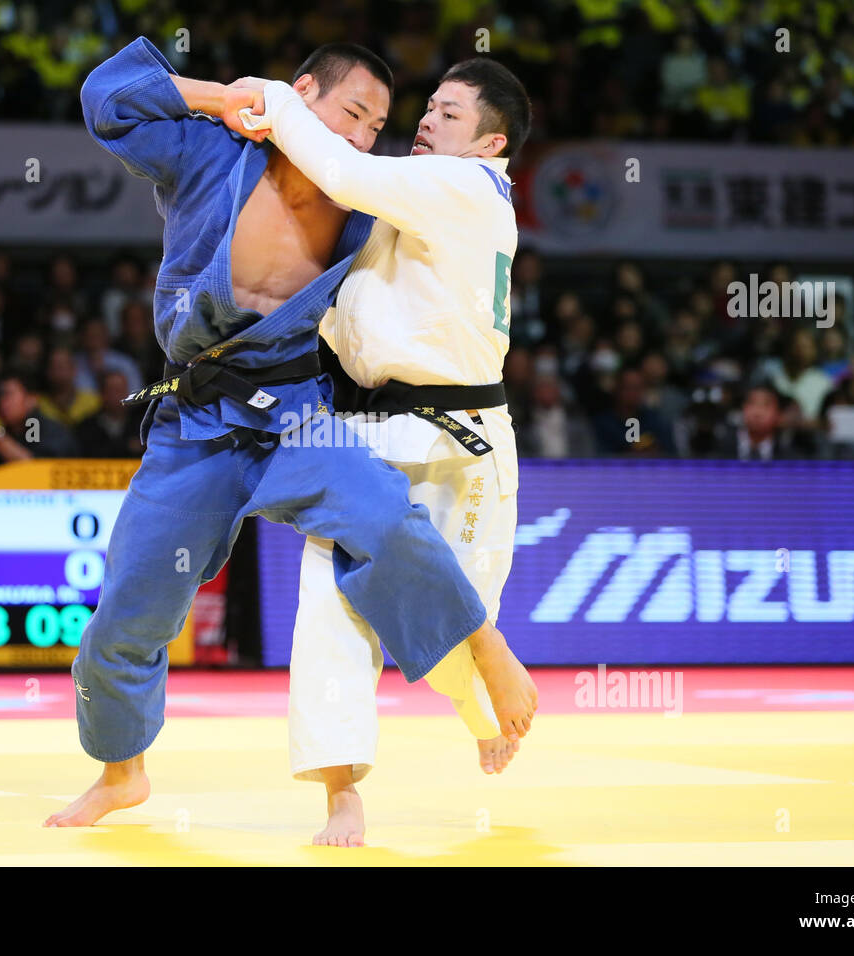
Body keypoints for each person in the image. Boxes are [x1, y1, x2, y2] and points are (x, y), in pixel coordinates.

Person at [45, 38, 536, 828]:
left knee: (386, 518)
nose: (364, 136)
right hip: (198, 419)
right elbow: (109, 97)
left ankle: (489, 648)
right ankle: (120, 770)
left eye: (379, 125)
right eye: (352, 113)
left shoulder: (370, 195)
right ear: (300, 91)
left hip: (300, 412)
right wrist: (219, 97)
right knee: (133, 601)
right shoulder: (213, 153)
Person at [243, 57, 534, 846]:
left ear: (488, 143)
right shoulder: (398, 207)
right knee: (329, 612)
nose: (424, 121)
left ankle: (482, 703)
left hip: (460, 444)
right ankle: (341, 794)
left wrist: (274, 97)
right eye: (429, 107)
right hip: (363, 435)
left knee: (452, 633)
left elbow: (337, 166)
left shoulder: (468, 190)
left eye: (446, 112)